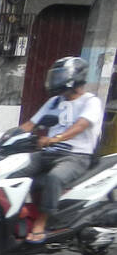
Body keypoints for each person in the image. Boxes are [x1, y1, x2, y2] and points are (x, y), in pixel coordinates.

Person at [18, 56, 103, 242]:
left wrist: (55, 138)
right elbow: (31, 124)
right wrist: (4, 138)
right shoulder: (55, 102)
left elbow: (81, 125)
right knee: (17, 170)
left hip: (76, 156)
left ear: (74, 78)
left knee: (53, 178)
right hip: (48, 153)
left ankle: (41, 223)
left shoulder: (91, 102)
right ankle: (21, 212)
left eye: (60, 76)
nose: (55, 80)